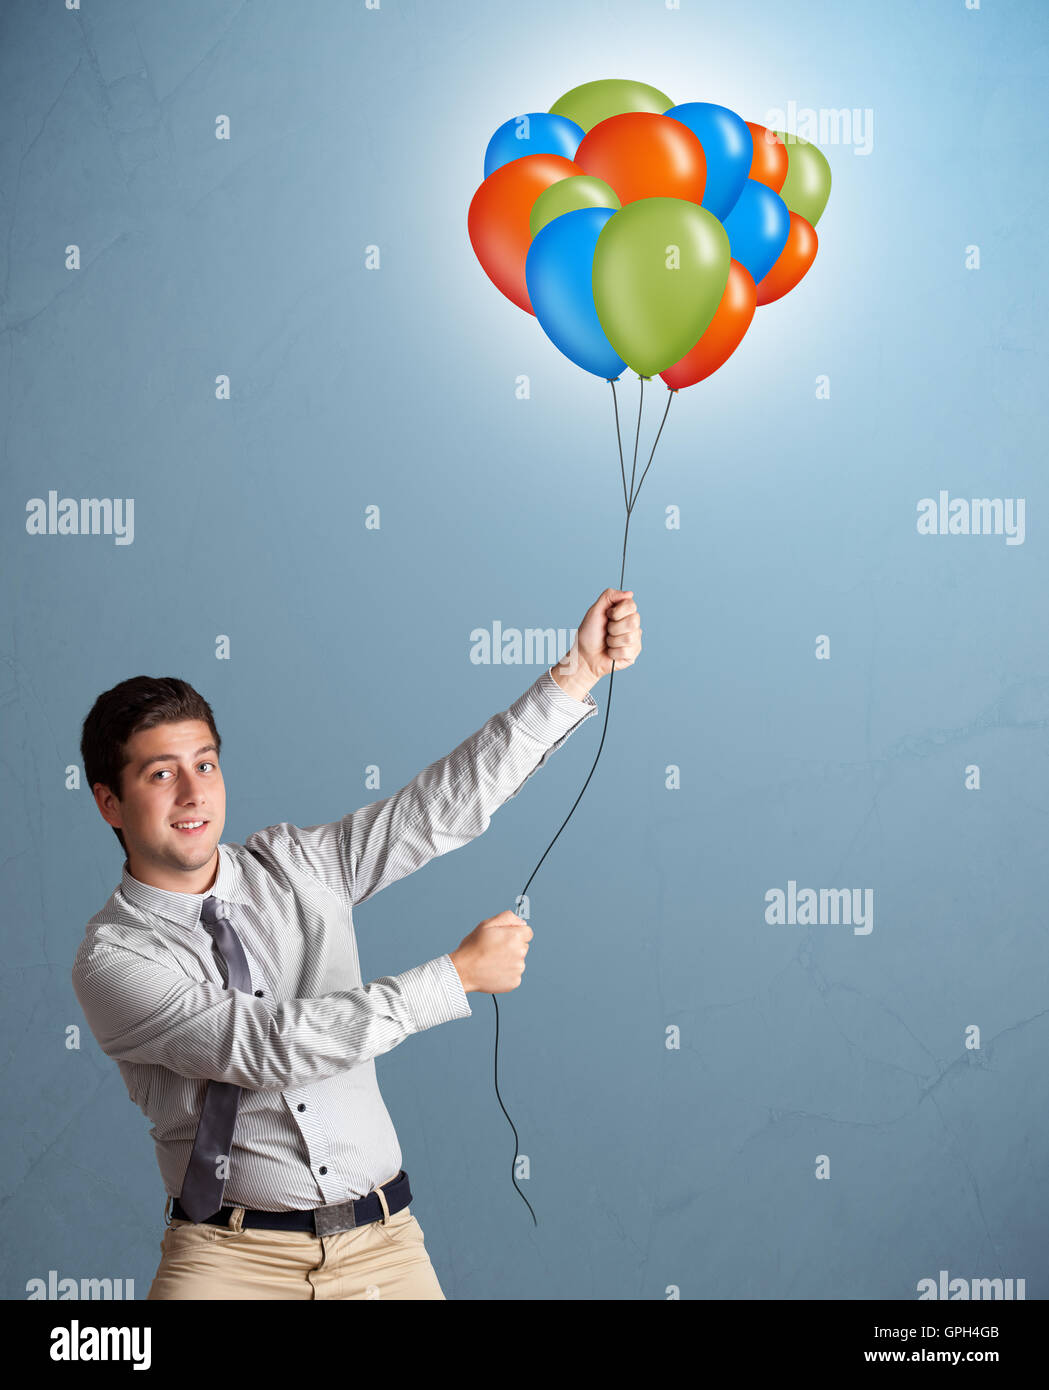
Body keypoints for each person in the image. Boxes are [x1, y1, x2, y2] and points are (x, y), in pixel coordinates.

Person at [71, 587, 642, 1300]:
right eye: (161, 774)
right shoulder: (113, 960)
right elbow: (264, 1046)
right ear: (109, 803)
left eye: (206, 764)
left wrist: (577, 673)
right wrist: (452, 979)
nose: (193, 792)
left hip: (383, 1249)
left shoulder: (302, 864)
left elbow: (438, 806)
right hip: (228, 1260)